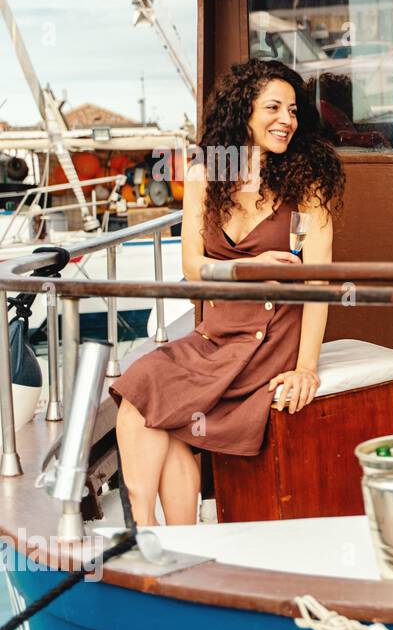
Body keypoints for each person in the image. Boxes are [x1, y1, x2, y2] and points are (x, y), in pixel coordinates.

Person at [111, 60, 344, 526]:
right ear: (243, 113)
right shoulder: (204, 176)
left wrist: (306, 368)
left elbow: (320, 284)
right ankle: (157, 534)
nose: (287, 120)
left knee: (159, 404)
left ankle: (157, 539)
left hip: (268, 340)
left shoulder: (307, 183)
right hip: (214, 334)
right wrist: (248, 267)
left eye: (293, 111)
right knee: (142, 393)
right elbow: (193, 268)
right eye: (273, 107)